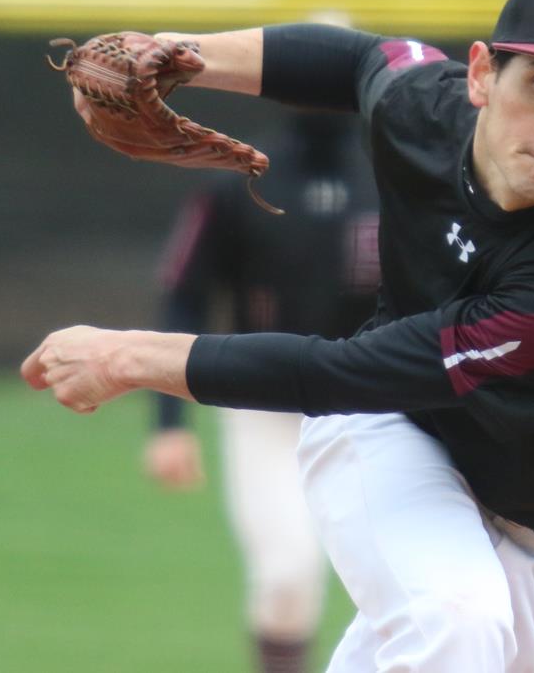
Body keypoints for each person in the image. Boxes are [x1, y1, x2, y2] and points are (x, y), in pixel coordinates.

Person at [23, 0, 534, 673]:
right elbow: (359, 59)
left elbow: (339, 368)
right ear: (482, 75)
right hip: (392, 429)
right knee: (456, 625)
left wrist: (126, 357)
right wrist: (187, 53)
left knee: (454, 637)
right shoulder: (429, 111)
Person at [146, 108, 381, 673]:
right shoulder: (240, 183)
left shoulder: (396, 183)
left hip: (378, 408)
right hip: (265, 406)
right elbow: (185, 296)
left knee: (410, 591)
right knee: (285, 577)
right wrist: (168, 425)